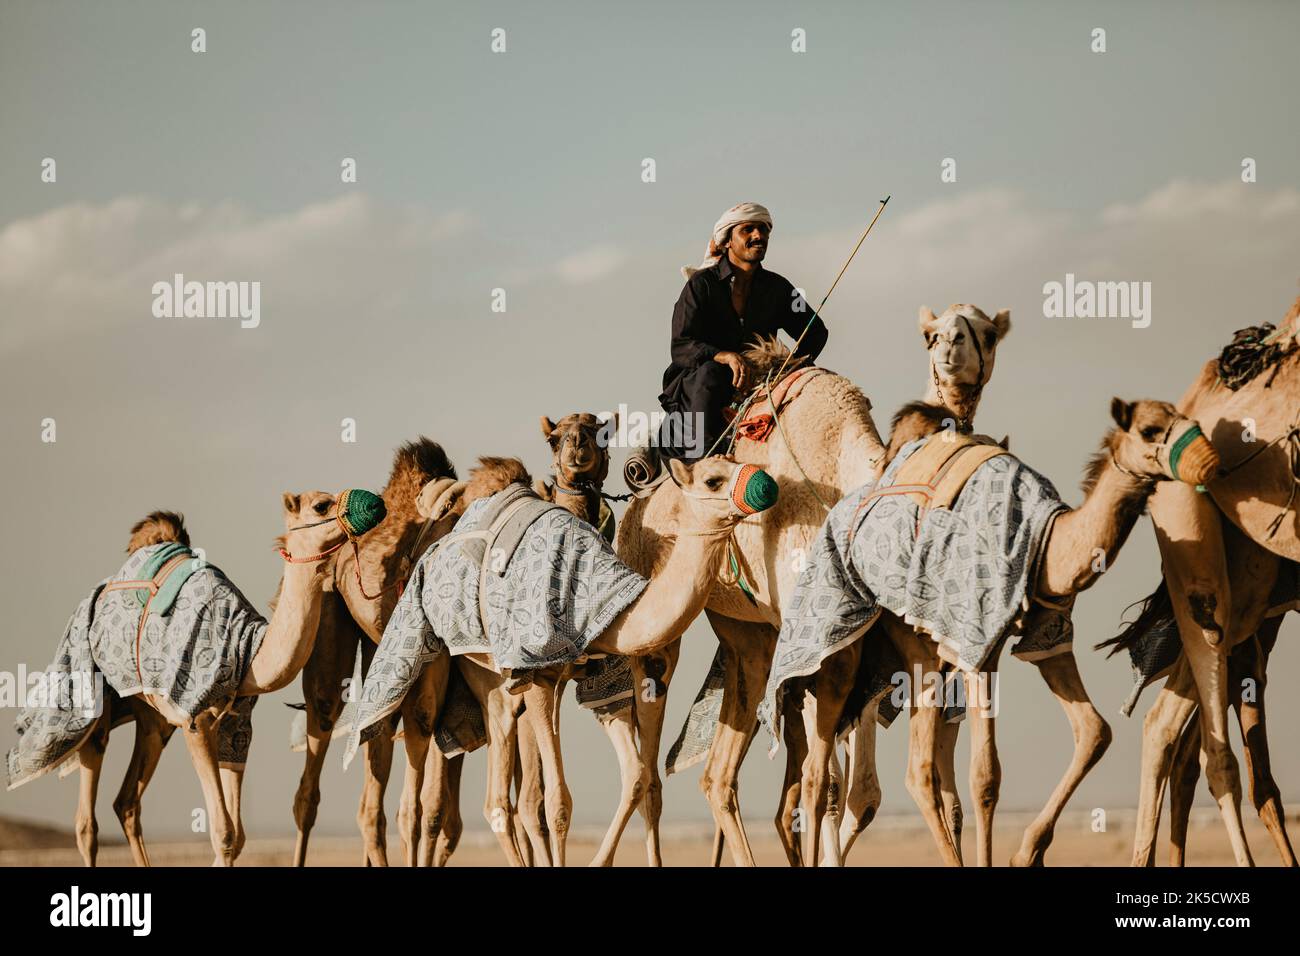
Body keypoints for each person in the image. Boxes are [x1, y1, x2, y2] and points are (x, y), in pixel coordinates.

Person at [658, 202, 828, 460]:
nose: (758, 235)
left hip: (758, 380)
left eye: (763, 229)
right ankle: (705, 461)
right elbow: (681, 344)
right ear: (727, 241)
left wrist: (790, 367)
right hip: (700, 382)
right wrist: (724, 356)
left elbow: (815, 331)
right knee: (712, 374)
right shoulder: (701, 285)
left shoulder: (778, 288)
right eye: (747, 229)